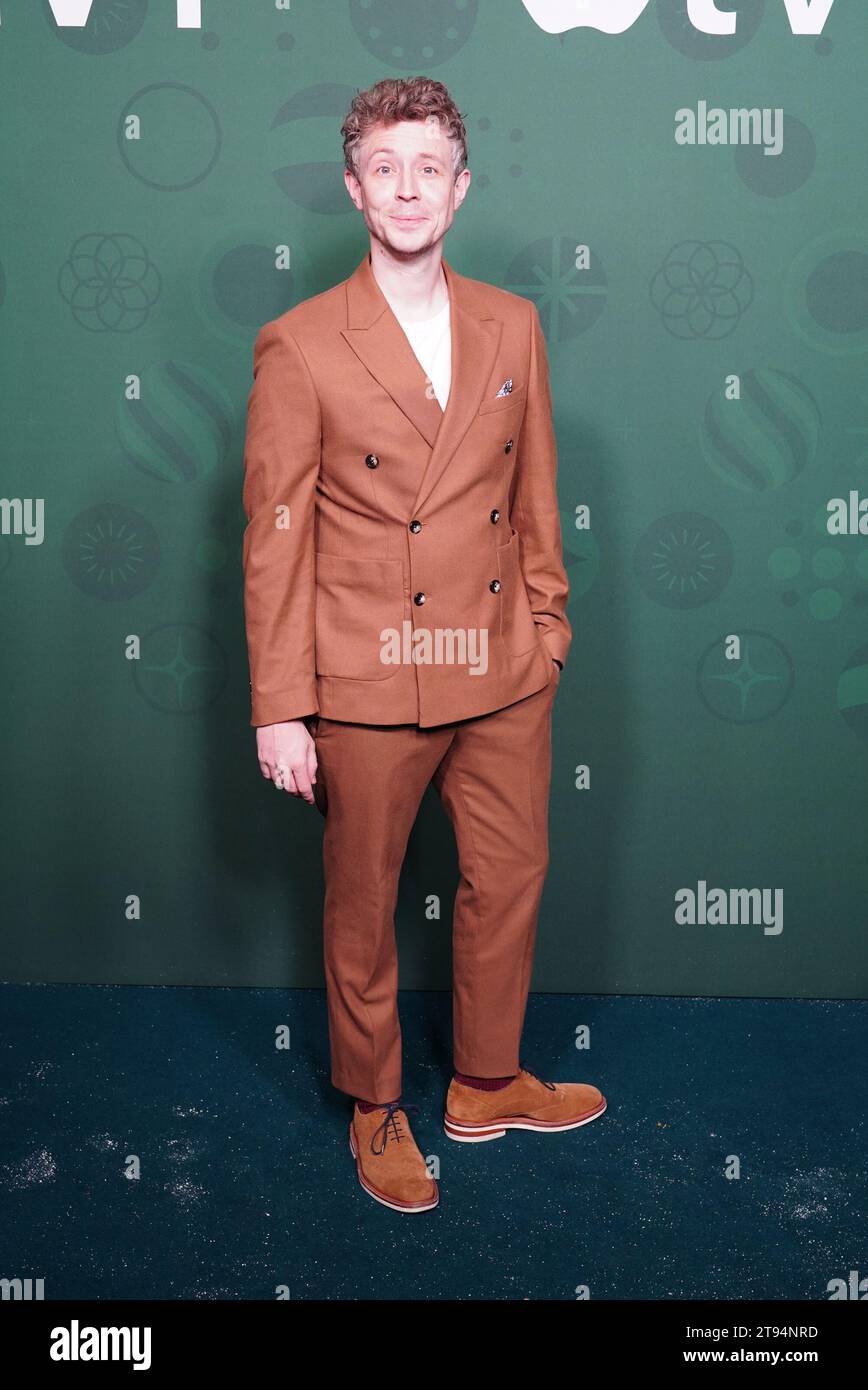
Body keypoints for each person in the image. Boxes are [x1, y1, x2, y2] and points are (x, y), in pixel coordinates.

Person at [242, 76, 606, 1213]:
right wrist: (277, 704)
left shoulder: (512, 321)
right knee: (364, 900)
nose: (408, 189)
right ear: (355, 188)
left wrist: (546, 627)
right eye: (384, 168)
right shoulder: (299, 344)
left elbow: (535, 490)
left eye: (428, 168)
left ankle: (486, 1081)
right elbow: (276, 536)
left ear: (461, 188)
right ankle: (376, 1104)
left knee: (509, 879)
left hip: (499, 664)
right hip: (362, 674)